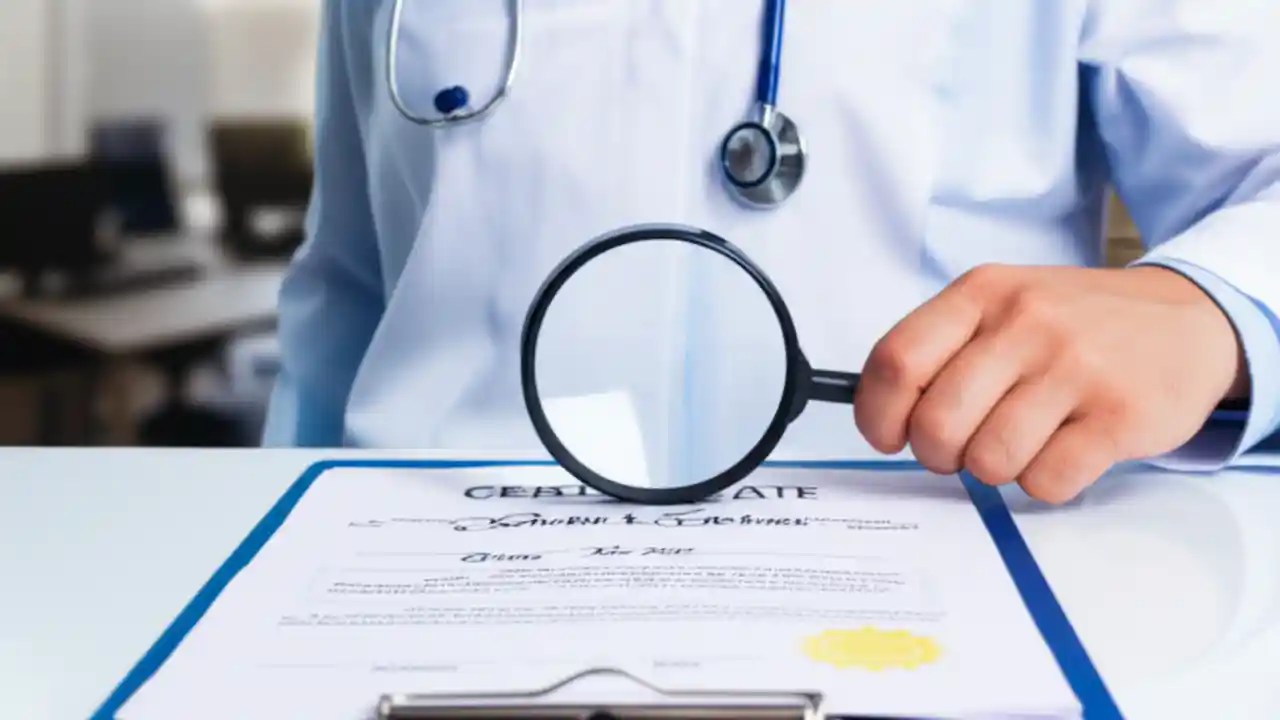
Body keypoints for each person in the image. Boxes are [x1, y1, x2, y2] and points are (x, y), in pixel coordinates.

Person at [263, 0, 1280, 505]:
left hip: (916, 563)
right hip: (432, 570)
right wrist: (277, 532)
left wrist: (1214, 311)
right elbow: (349, 278)